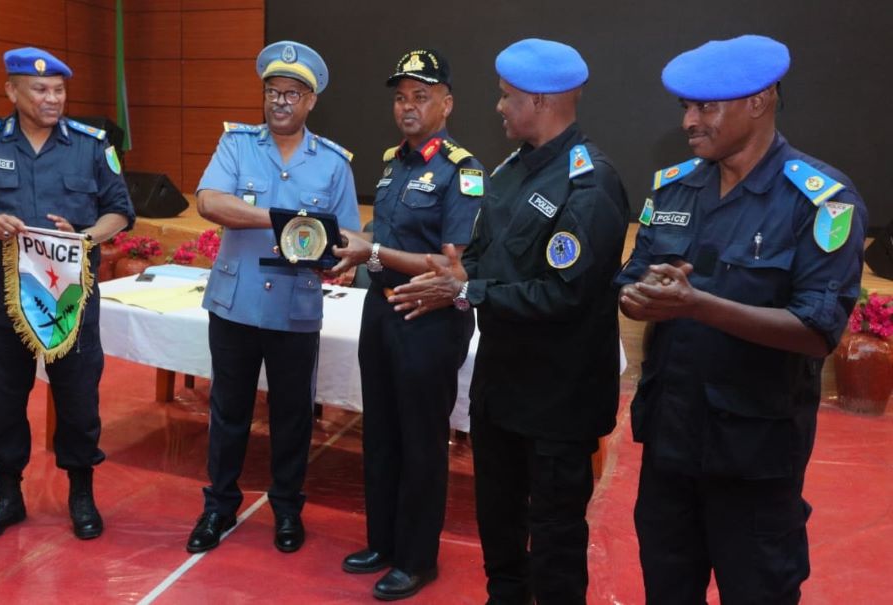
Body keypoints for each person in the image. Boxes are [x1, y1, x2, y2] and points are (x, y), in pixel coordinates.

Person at [615, 35, 867, 604]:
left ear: (759, 101)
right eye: (686, 106)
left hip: (754, 461)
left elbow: (817, 331)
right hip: (669, 445)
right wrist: (637, 298)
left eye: (706, 107)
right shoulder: (674, 187)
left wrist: (697, 305)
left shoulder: (821, 200)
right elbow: (630, 280)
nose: (689, 121)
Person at [392, 39, 629, 604]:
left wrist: (467, 289)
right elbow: (481, 254)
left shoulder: (589, 184)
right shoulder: (512, 169)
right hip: (500, 390)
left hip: (557, 401)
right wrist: (453, 277)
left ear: (540, 101)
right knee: (497, 527)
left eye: (506, 97)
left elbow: (564, 295)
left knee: (554, 542)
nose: (498, 107)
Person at [0, 47, 134, 545]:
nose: (52, 98)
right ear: (12, 91)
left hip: (69, 302)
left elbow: (121, 211)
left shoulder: (91, 146)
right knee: (2, 403)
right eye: (40, 89)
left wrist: (86, 236)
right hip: (2, 304)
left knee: (78, 402)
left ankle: (81, 492)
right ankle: (6, 495)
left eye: (59, 90)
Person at [189, 40, 360, 555]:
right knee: (228, 410)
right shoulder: (237, 145)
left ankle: (287, 508)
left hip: (295, 306)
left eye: (292, 94)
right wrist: (285, 221)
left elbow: (348, 236)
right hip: (235, 303)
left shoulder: (333, 163)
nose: (280, 102)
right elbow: (209, 201)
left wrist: (338, 256)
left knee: (292, 416)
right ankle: (219, 506)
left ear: (311, 101)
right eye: (272, 92)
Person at [329, 49, 483, 601]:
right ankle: (384, 543)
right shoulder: (394, 163)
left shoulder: (463, 171)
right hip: (382, 310)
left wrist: (373, 252)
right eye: (400, 97)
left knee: (421, 442)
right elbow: (383, 241)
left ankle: (417, 560)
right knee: (381, 433)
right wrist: (349, 250)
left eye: (421, 96)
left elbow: (452, 266)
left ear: (447, 103)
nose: (407, 106)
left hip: (429, 318)